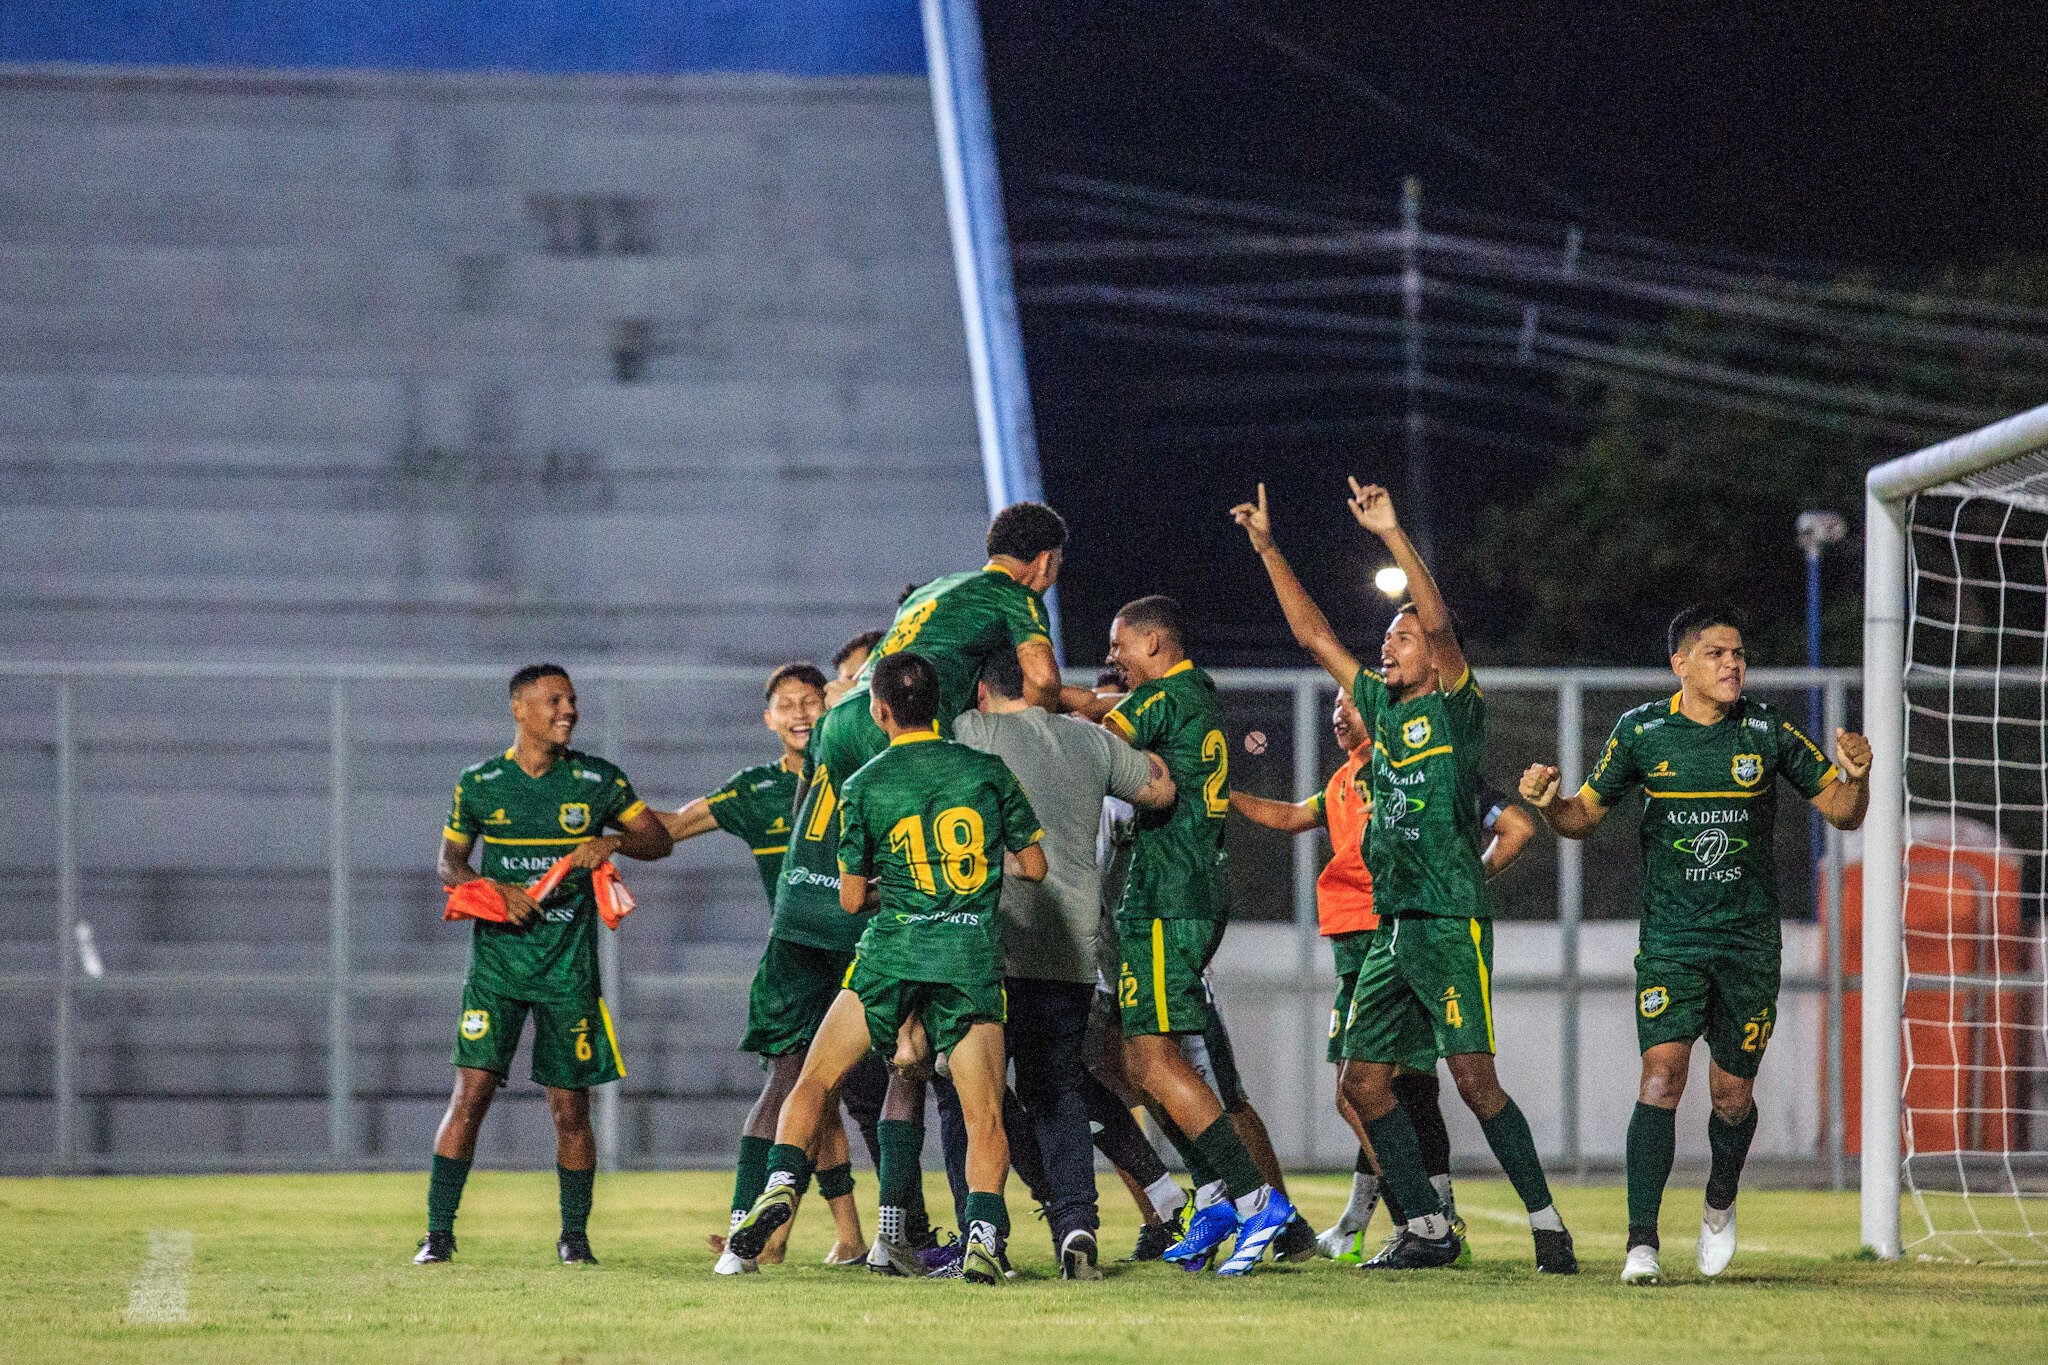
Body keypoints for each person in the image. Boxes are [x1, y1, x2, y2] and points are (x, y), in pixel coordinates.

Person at [1232, 479, 1576, 1273]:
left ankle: (1548, 1223)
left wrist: (1392, 535)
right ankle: (1425, 1225)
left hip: (1450, 918)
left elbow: (1443, 622)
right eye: (1385, 639)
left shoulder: (1454, 711)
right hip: (1392, 926)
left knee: (1474, 1081)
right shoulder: (1381, 717)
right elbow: (1315, 633)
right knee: (1363, 1081)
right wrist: (1269, 548)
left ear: (1434, 655)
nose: (1389, 646)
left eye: (1403, 638)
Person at [1519, 602, 1870, 1285]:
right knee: (1662, 1072)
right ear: (1680, 663)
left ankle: (1718, 1200)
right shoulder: (1642, 732)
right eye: (1715, 653)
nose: (1732, 663)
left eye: (1737, 652)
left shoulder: (1766, 730)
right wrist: (1547, 804)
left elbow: (1841, 812)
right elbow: (1583, 817)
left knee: (1732, 1095)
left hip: (1747, 943)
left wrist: (1857, 777)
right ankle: (1641, 1243)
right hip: (1673, 939)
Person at [773, 502, 1071, 1275]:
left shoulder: (936, 586)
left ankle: (836, 1207)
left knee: (865, 1052)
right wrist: (1067, 711)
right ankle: (980, 1234)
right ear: (1042, 561)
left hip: (847, 742)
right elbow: (1041, 681)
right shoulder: (1017, 596)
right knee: (974, 1102)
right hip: (948, 902)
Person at [727, 652, 1047, 1286]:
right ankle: (983, 1235)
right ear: (940, 707)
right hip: (966, 956)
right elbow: (1034, 868)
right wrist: (978, 879)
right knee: (983, 1113)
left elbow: (850, 899)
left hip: (889, 954)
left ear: (878, 711)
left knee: (814, 1082)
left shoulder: (864, 781)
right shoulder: (986, 770)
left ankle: (784, 1182)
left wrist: (897, 891)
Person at [1231, 687, 1538, 1261]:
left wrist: (1458, 886)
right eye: (1334, 706)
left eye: (1352, 702)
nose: (1339, 715)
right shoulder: (1344, 780)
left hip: (1392, 934)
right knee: (1379, 1089)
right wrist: (1223, 795)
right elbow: (1296, 816)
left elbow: (1516, 826)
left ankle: (1428, 1222)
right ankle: (1387, 1222)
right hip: (1355, 939)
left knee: (1383, 1089)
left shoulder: (1413, 769)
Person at [416, 664, 674, 1265]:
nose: (569, 709)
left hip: (568, 971)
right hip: (497, 969)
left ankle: (574, 1238)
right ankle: (438, 1234)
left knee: (569, 1109)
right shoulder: (479, 782)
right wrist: (492, 890)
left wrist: (609, 843)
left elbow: (657, 840)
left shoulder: (596, 780)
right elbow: (450, 866)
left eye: (573, 700)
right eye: (554, 699)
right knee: (470, 1095)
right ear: (519, 709)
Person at [953, 647, 1178, 1278]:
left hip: (989, 944)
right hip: (1072, 947)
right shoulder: (1090, 744)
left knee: (968, 1096)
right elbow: (1160, 788)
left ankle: (986, 1233)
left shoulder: (974, 731)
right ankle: (1077, 1224)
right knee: (1058, 1091)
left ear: (981, 693)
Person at [1099, 594, 1298, 1276]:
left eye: (1120, 644)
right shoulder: (1198, 693)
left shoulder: (1167, 695)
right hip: (1187, 890)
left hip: (1167, 897)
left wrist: (1049, 703)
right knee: (1138, 1059)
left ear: (1153, 643)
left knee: (1153, 1061)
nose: (1113, 657)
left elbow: (1108, 734)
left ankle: (1254, 1198)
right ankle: (1216, 1193)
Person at [659, 663, 868, 1273]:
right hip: (801, 960)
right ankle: (795, 1234)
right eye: (786, 704)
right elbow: (672, 826)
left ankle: (879, 1232)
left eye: (811, 700)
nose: (801, 713)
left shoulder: (865, 771)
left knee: (854, 1092)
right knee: (805, 1090)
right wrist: (609, 829)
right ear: (768, 718)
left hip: (864, 955)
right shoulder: (755, 790)